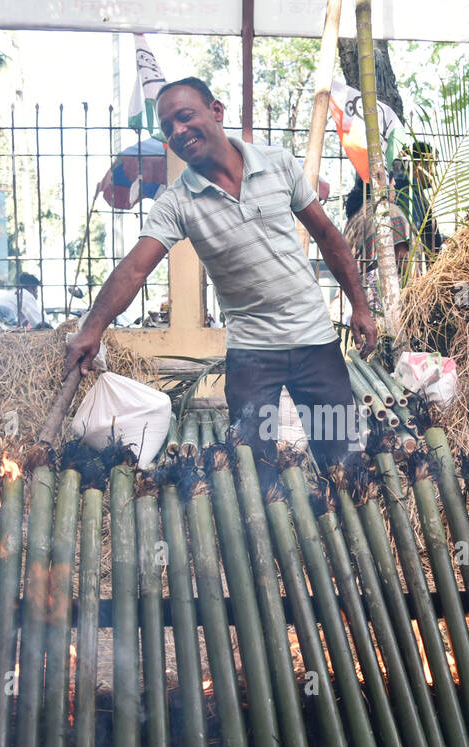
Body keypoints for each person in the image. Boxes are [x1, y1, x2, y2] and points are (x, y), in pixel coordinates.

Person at [65, 76, 377, 477]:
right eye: (168, 128)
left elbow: (328, 236)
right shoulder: (177, 202)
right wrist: (92, 328)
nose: (177, 131)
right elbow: (135, 269)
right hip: (252, 356)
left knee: (343, 463)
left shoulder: (278, 163)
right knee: (255, 472)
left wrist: (360, 307)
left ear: (216, 112)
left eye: (185, 116)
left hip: (316, 344)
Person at [343, 185, 412, 320]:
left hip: (362, 298)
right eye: (391, 184)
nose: (394, 187)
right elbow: (403, 256)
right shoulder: (389, 213)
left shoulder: (354, 219)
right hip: (391, 295)